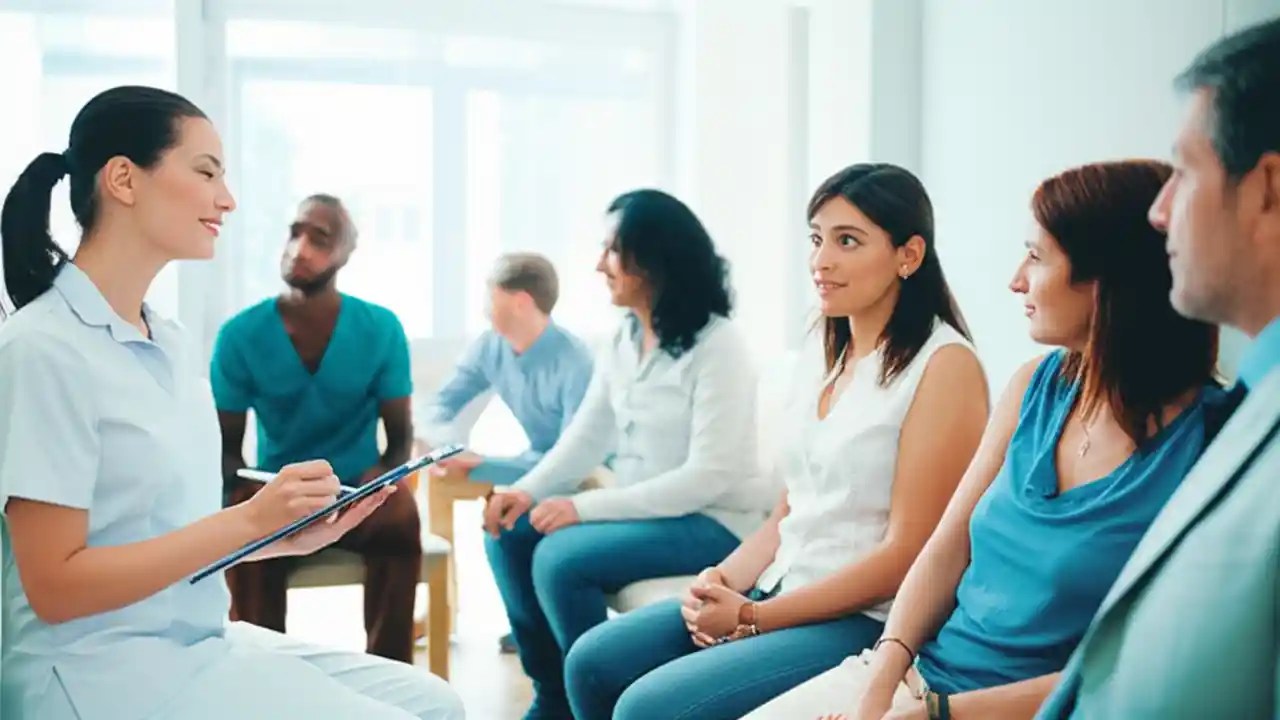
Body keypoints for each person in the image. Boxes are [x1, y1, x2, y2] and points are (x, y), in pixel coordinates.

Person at [0, 86, 463, 720]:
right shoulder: (43, 350)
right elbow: (55, 587)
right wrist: (247, 521)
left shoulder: (168, 341)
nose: (228, 199)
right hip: (94, 669)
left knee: (436, 703)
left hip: (191, 643)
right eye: (206, 172)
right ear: (124, 180)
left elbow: (167, 539)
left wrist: (279, 537)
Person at [746, 160, 1221, 719]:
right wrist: (879, 685)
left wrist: (938, 714)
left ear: (1105, 281)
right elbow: (945, 550)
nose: (1016, 280)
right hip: (918, 679)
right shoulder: (1033, 386)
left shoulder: (1208, 443)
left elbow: (1139, 667)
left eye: (1036, 257)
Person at [561, 164, 990, 720]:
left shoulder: (944, 366)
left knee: (647, 708)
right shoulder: (825, 348)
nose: (821, 261)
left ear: (908, 255)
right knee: (592, 662)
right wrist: (721, 579)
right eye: (816, 239)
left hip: (863, 619)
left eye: (847, 241)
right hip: (778, 585)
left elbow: (908, 555)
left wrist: (751, 617)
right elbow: (789, 509)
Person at [1037, 19, 1280, 720]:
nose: (1160, 211)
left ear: (1267, 189)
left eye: (1184, 172)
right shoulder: (1254, 398)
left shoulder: (1203, 420)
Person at [481, 189, 769, 720]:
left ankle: (595, 703)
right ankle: (554, 697)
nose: (599, 265)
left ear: (654, 260)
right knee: (509, 530)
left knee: (561, 559)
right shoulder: (624, 337)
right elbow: (587, 436)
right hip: (649, 515)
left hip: (714, 521)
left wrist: (581, 507)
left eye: (613, 251)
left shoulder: (718, 345)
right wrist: (526, 491)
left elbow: (708, 476)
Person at [212, 194, 422, 663]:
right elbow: (226, 454)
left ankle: (390, 673)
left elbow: (399, 441)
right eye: (295, 233)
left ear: (345, 253)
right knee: (241, 522)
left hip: (356, 493)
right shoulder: (240, 335)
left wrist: (381, 481)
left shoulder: (381, 328)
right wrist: (253, 497)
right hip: (278, 492)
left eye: (320, 239)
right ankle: (262, 674)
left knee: (402, 516)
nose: (300, 249)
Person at [418, 252, 593, 654]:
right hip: (534, 464)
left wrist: (486, 465)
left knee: (508, 522)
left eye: (489, 296)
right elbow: (439, 404)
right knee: (469, 494)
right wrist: (449, 448)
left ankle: (541, 635)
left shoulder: (576, 360)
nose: (483, 308)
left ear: (520, 302)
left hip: (587, 473)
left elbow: (573, 457)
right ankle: (521, 629)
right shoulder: (490, 346)